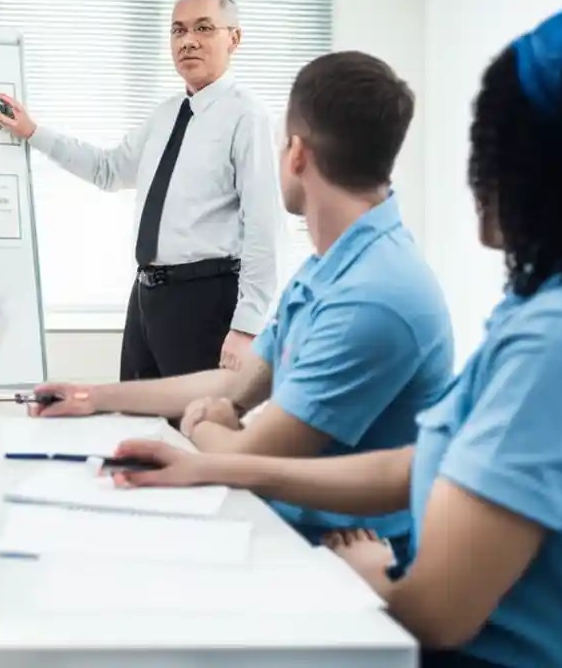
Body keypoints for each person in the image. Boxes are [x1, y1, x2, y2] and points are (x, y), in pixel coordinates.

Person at [111, 9, 562, 668]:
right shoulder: (538, 306)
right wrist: (209, 461)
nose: (475, 179)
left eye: (489, 151)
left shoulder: (555, 340)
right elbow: (420, 463)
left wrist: (372, 575)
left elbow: (435, 613)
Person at [34, 51, 453, 561]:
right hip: (283, 522)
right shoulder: (328, 268)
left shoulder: (376, 296)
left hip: (338, 556)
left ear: (295, 154)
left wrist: (202, 424)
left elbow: (245, 454)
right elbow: (235, 385)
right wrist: (93, 395)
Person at [0, 0, 280, 379]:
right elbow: (108, 171)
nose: (188, 41)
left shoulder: (248, 117)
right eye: (178, 30)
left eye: (203, 28)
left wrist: (247, 325)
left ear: (234, 39)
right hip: (147, 295)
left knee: (193, 429)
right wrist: (33, 132)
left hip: (206, 297)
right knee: (136, 422)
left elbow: (265, 227)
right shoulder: (165, 115)